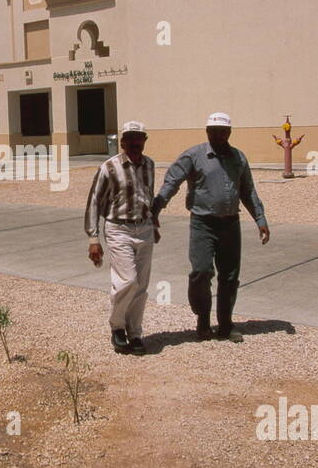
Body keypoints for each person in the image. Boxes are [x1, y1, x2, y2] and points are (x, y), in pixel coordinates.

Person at [152, 112, 269, 342]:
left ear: (229, 132)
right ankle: (203, 319)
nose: (218, 136)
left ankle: (225, 324)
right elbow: (172, 181)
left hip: (230, 224)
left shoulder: (239, 158)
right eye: (214, 131)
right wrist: (156, 208)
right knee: (201, 271)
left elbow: (247, 190)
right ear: (207, 132)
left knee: (229, 276)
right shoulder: (194, 156)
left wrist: (260, 219)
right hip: (202, 224)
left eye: (223, 132)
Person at [85, 121, 159, 355]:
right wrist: (93, 238)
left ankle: (135, 332)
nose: (135, 142)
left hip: (144, 229)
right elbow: (94, 201)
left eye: (139, 138)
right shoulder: (109, 167)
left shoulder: (150, 165)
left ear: (144, 140)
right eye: (130, 138)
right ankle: (117, 326)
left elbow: (148, 196)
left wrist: (154, 223)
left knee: (141, 285)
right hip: (118, 229)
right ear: (122, 141)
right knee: (128, 281)